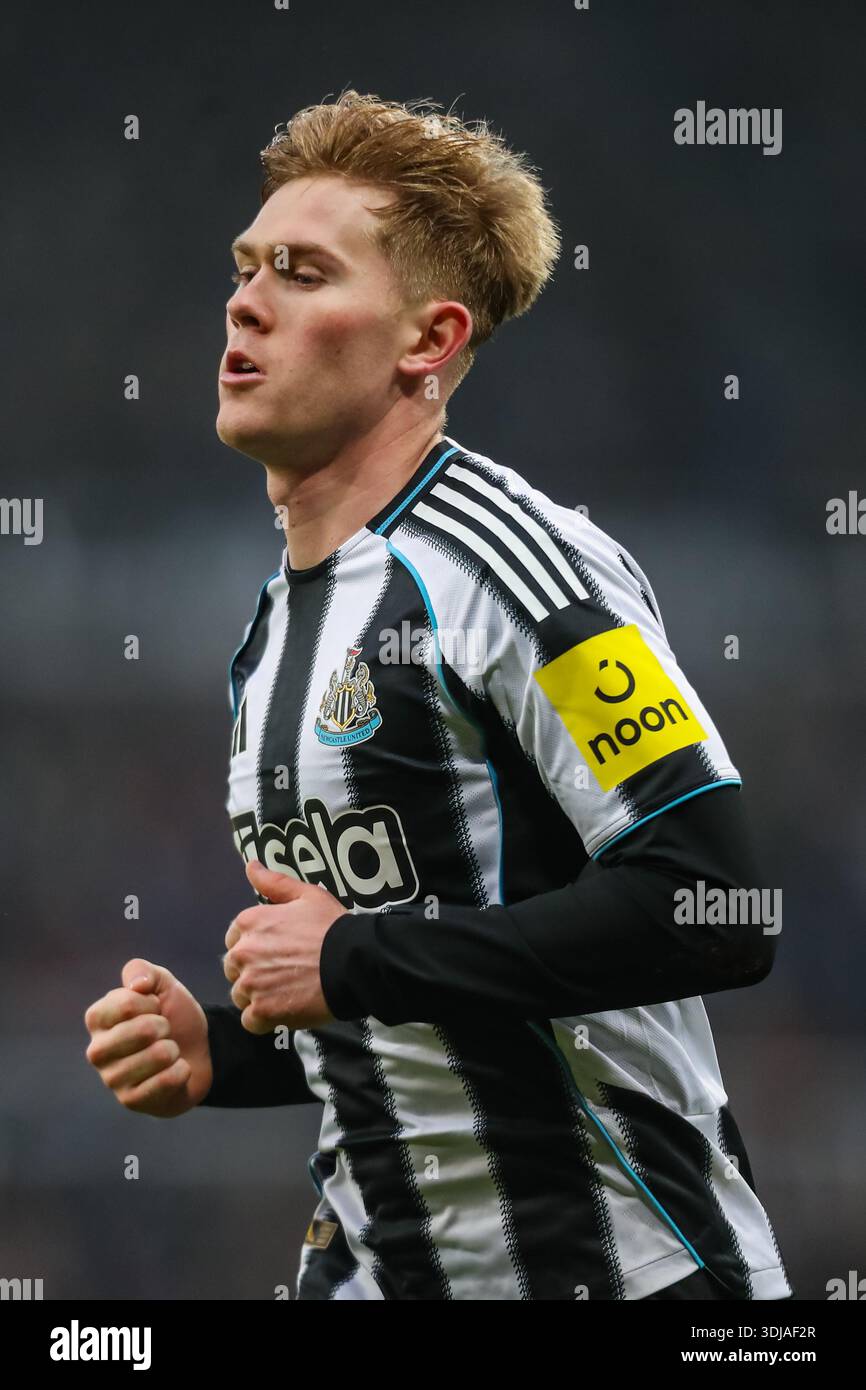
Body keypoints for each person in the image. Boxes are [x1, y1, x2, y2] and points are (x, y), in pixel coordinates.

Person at [84, 90, 793, 1301]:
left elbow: (719, 903)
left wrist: (351, 959)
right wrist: (230, 1048)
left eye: (302, 273)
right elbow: (416, 975)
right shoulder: (274, 625)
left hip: (620, 1271)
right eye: (247, 267)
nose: (244, 301)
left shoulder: (517, 566)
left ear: (426, 340)